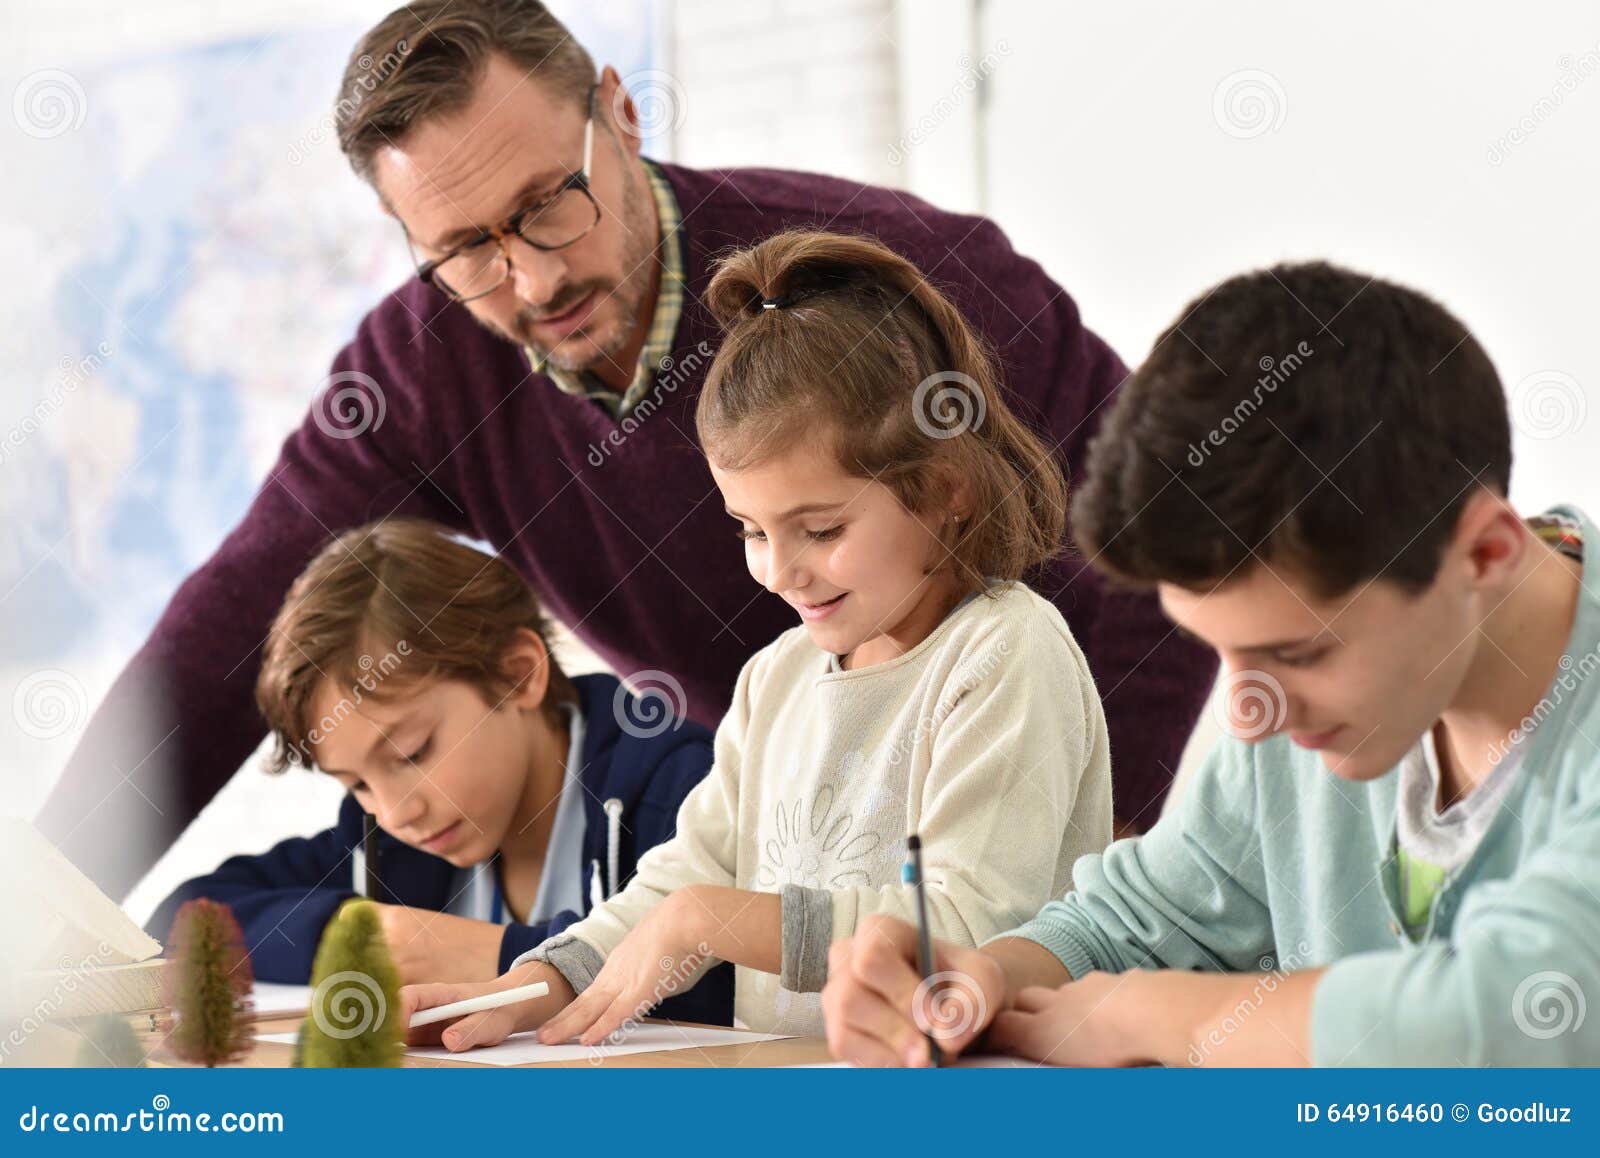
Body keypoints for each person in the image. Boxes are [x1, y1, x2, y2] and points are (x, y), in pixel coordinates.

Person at [37, 0, 1214, 902]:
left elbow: (1165, 506)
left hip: (1003, 843)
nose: (535, 277)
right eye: (467, 248)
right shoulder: (419, 369)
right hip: (772, 859)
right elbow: (233, 618)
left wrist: (1081, 861)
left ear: (620, 113)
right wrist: (41, 918)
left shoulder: (885, 276)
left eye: (551, 202)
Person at [819, 261, 1600, 1066]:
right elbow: (1141, 921)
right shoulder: (1304, 706)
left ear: (1485, 553)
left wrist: (1171, 1018)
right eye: (1221, 650)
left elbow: (1516, 1017)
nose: (1245, 713)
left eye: (1300, 652)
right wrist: (979, 979)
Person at [397, 230, 1114, 1051]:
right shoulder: (777, 677)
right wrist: (549, 976)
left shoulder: (1004, 654)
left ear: (943, 488)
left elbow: (968, 929)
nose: (780, 572)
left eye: (819, 528)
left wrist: (712, 921)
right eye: (750, 530)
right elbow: (685, 876)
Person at [145, 519, 730, 1024]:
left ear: (517, 675)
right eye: (356, 783)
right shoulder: (383, 843)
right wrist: (366, 941)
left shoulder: (684, 790)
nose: (397, 811)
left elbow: (737, 988)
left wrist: (492, 955)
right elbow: (181, 917)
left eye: (410, 754)